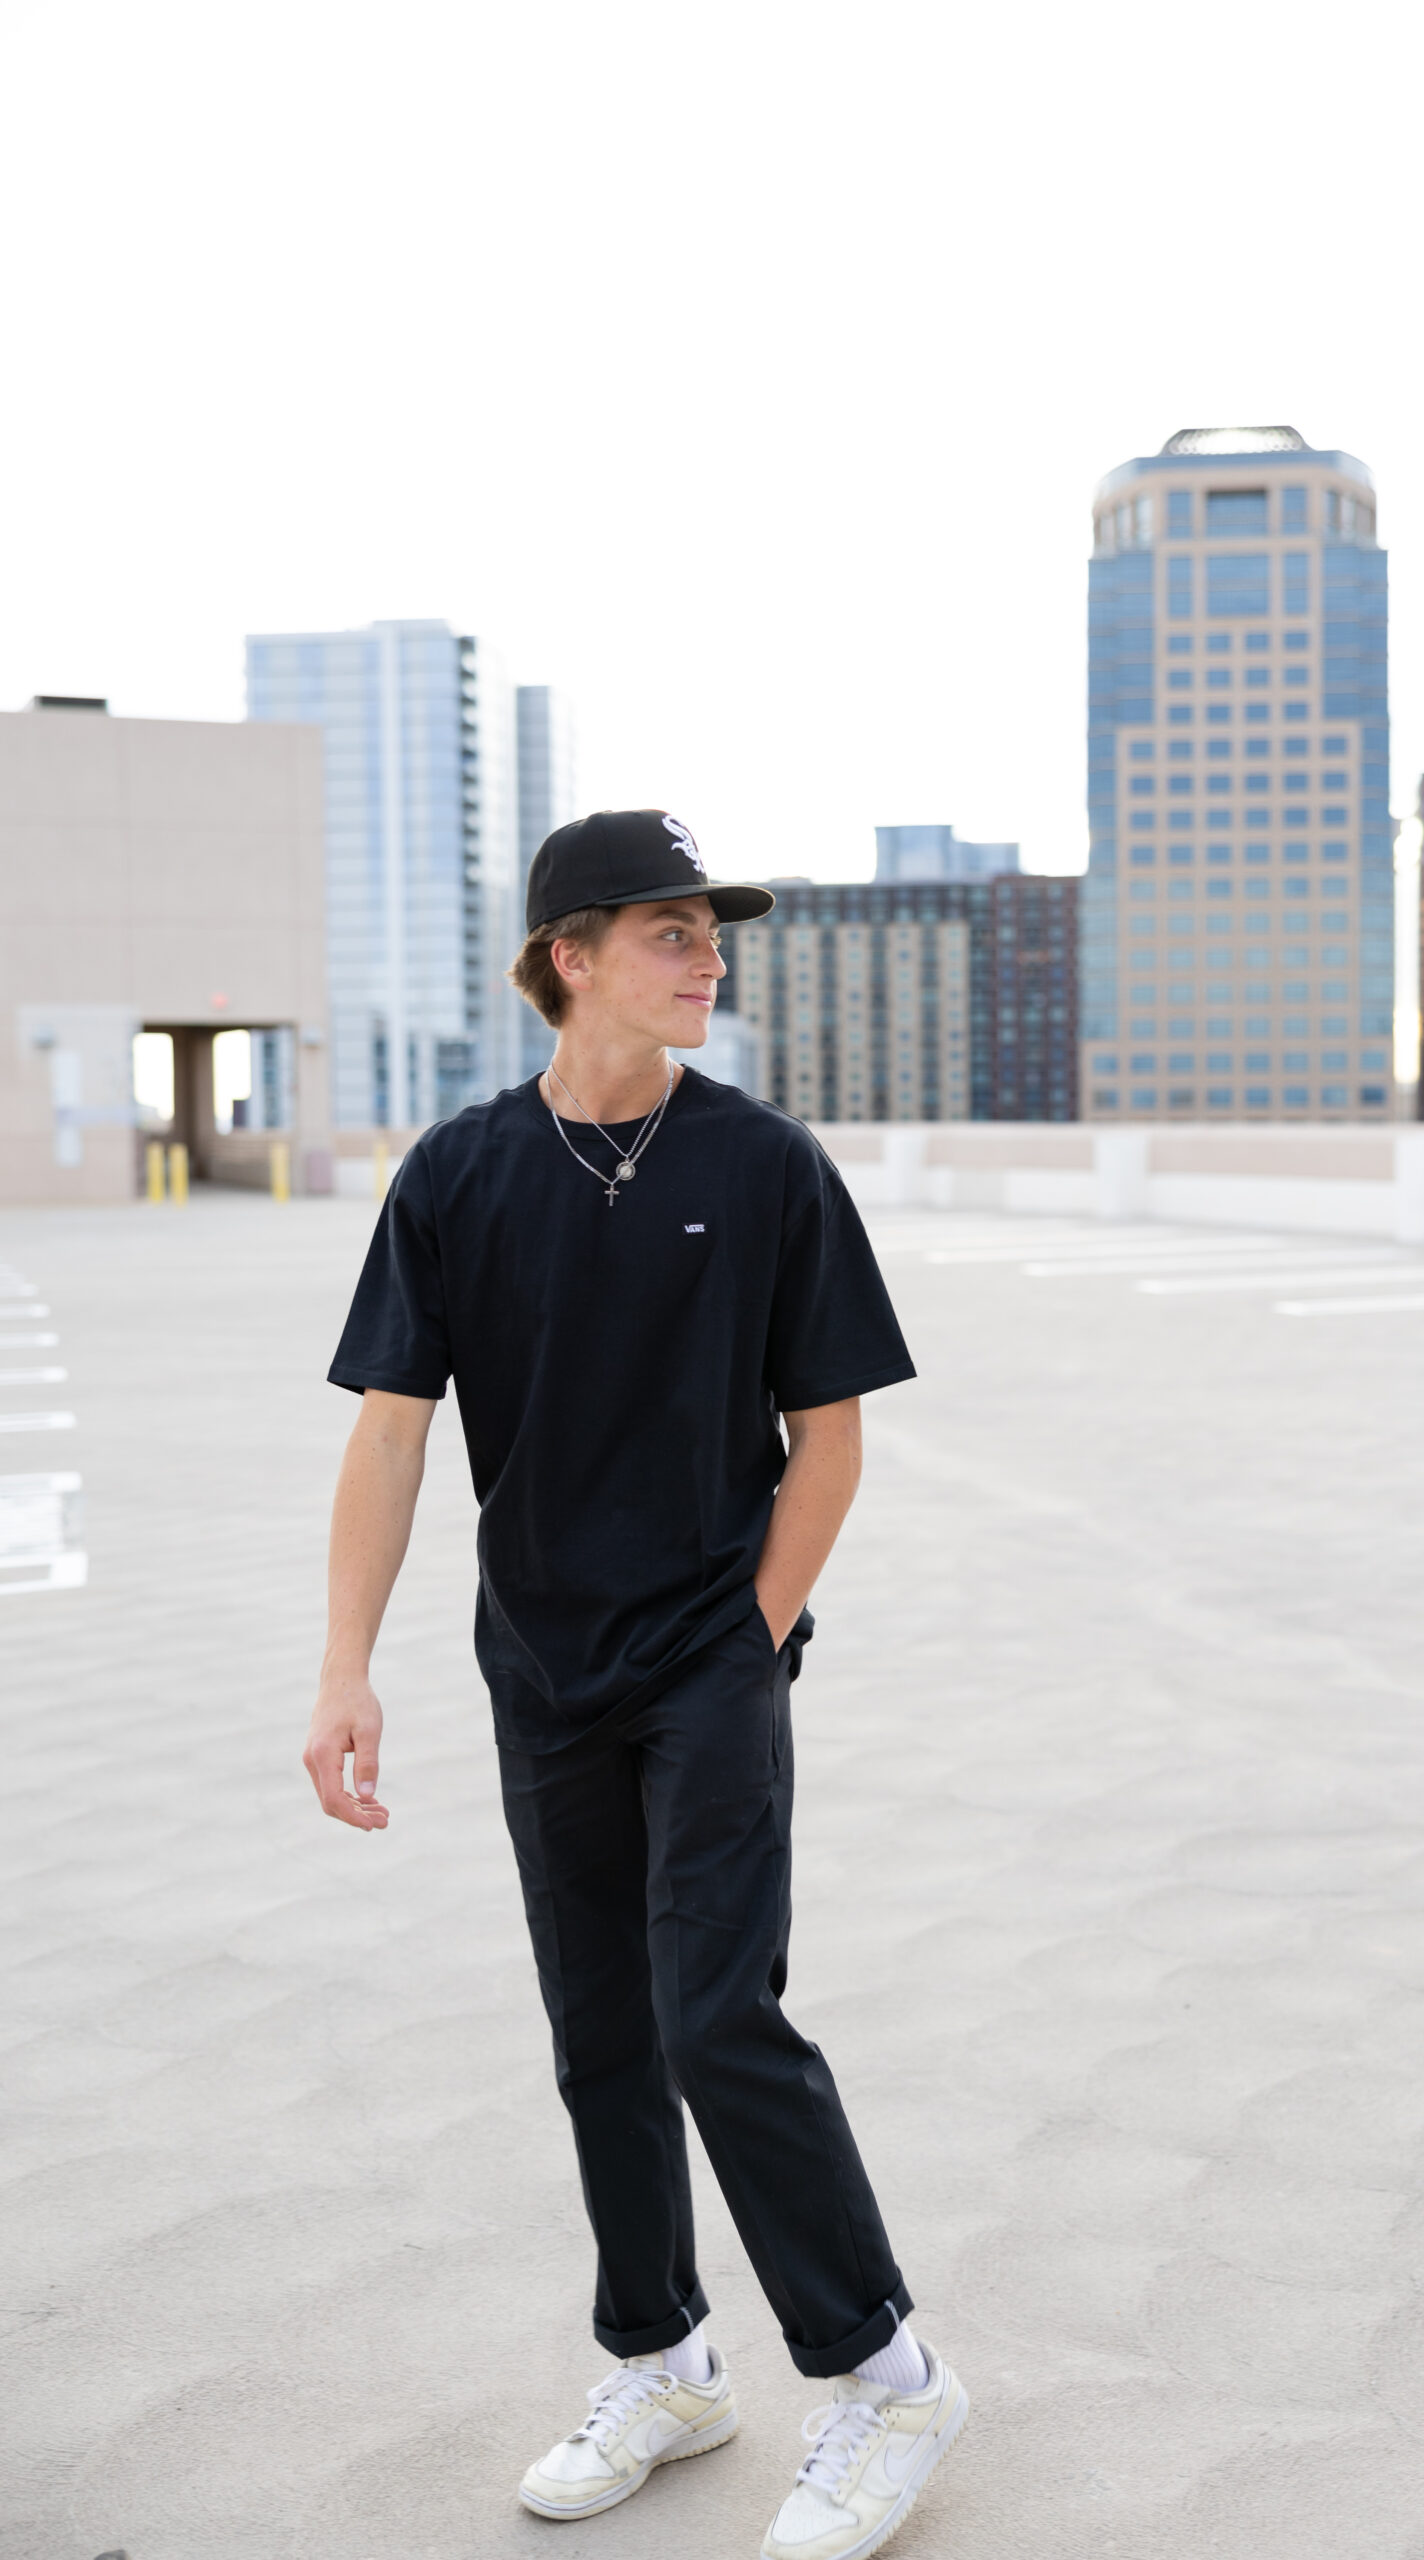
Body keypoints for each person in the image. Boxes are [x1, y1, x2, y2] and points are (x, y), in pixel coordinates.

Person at [302, 810, 968, 2558]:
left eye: (711, 932)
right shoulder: (457, 1174)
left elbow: (829, 1438)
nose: (707, 958)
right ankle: (663, 2362)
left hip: (706, 1665)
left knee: (713, 2017)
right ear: (570, 958)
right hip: (539, 1667)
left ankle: (888, 2376)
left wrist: (750, 1634)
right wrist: (345, 1668)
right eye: (671, 932)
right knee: (599, 2029)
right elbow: (391, 1434)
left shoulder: (764, 1166)